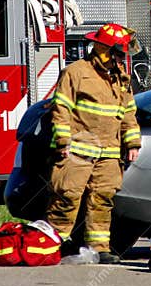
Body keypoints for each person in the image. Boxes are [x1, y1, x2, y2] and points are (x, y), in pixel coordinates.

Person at [45, 23, 141, 264]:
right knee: (67, 196)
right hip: (77, 150)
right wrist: (63, 141)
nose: (122, 58)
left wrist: (132, 143)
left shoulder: (121, 79)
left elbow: (129, 112)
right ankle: (52, 245)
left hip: (109, 152)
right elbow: (61, 108)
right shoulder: (76, 72)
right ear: (104, 50)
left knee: (103, 199)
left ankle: (99, 248)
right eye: (119, 53)